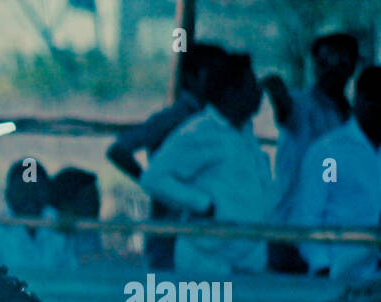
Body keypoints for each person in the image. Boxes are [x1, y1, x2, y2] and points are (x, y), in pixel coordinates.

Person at [139, 53, 272, 275]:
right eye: (251, 86)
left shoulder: (245, 134)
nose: (259, 94)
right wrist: (202, 204)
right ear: (231, 92)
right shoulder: (200, 132)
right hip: (208, 262)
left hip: (248, 259)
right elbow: (154, 178)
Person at [107, 42, 226, 268]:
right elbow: (118, 151)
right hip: (172, 228)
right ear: (192, 77)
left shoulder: (223, 124)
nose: (220, 81)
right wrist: (157, 186)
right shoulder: (175, 118)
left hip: (208, 230)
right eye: (212, 73)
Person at [262, 32, 359, 270]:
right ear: (313, 65)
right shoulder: (300, 104)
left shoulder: (355, 118)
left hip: (334, 236)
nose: (331, 71)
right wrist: (276, 92)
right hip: (291, 232)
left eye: (341, 63)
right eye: (324, 63)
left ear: (353, 67)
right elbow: (284, 111)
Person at [292, 67, 381, 282]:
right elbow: (309, 214)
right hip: (340, 273)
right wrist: (323, 266)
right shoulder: (330, 153)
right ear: (360, 100)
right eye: (376, 101)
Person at [0, 159, 72, 273]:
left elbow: (77, 273)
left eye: (37, 189)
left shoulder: (62, 225)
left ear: (48, 192)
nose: (30, 196)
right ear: (8, 194)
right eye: (22, 190)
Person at [49, 167, 100, 260]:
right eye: (90, 199)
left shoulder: (89, 231)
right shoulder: (48, 233)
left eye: (97, 198)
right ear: (66, 203)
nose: (97, 205)